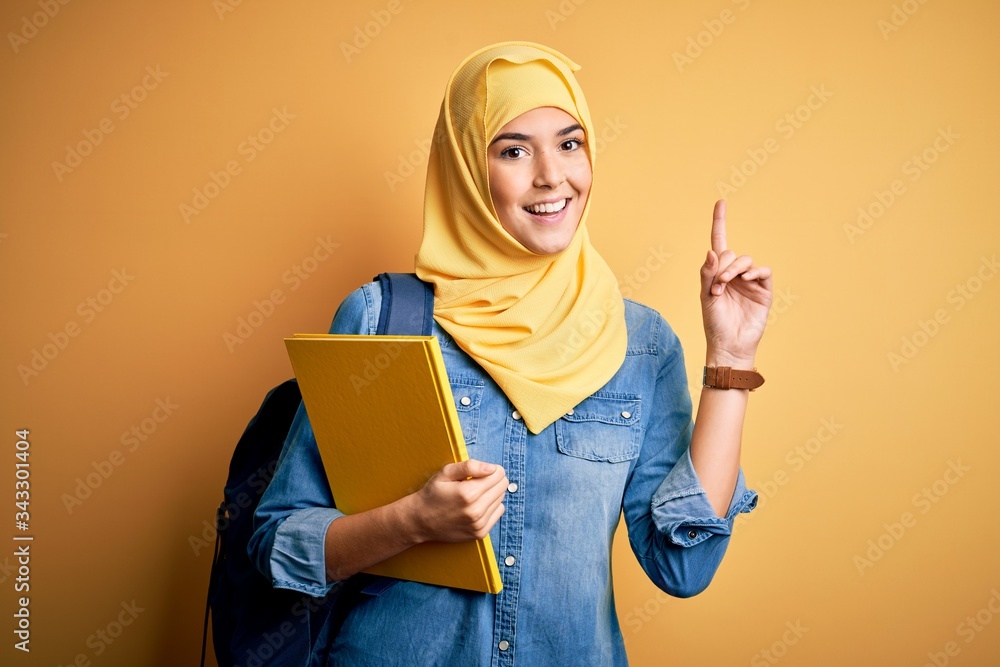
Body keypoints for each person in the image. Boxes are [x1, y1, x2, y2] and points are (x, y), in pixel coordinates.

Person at [249, 41, 772, 666]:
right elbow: (278, 547)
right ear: (467, 170)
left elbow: (683, 567)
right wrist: (414, 522)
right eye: (514, 150)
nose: (552, 175)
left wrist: (731, 360)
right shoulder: (381, 322)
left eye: (570, 143)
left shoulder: (641, 344)